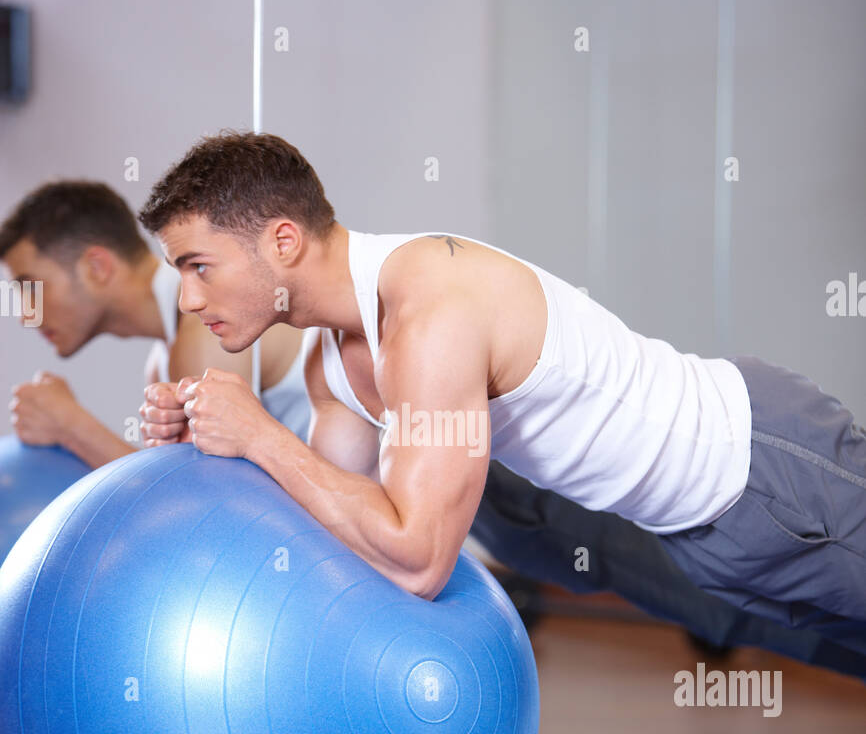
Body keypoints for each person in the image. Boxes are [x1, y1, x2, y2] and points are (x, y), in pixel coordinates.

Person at [134, 131, 865, 663]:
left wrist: (261, 434)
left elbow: (417, 561)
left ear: (284, 241)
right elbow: (334, 535)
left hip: (762, 468)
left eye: (199, 266)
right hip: (701, 539)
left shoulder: (431, 306)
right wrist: (203, 444)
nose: (190, 298)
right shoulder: (332, 371)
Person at [0, 180, 308, 466]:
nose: (28, 315)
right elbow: (171, 487)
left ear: (97, 267)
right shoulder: (163, 360)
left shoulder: (206, 330)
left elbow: (198, 504)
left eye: (31, 288)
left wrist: (72, 428)